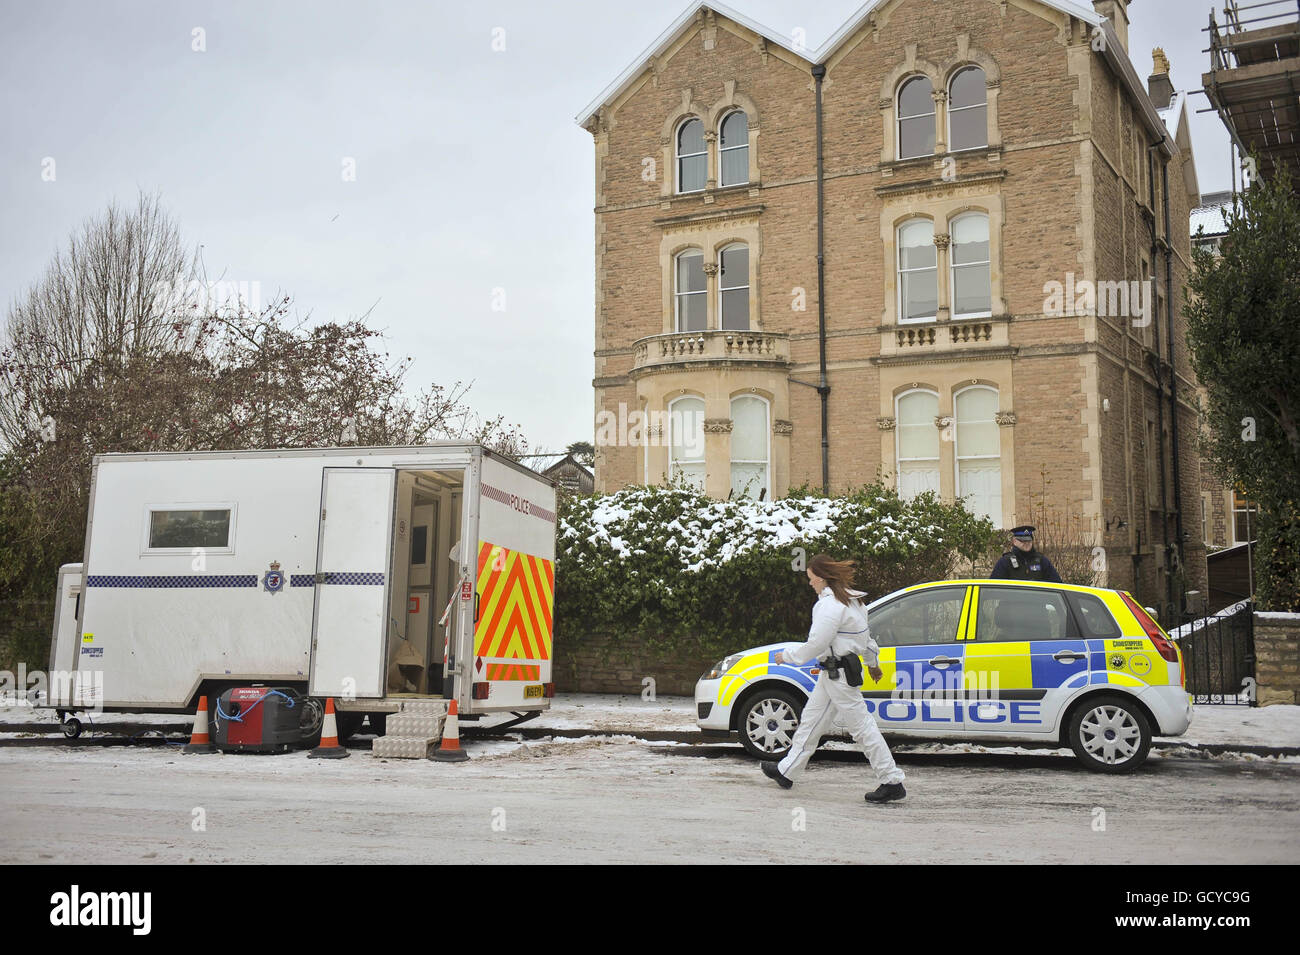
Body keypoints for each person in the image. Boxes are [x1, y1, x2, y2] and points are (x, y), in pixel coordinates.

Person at [761, 553, 906, 803]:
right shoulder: (854, 603)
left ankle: (891, 780)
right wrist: (873, 663)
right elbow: (865, 639)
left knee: (862, 728)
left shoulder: (829, 606)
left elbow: (817, 643)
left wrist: (787, 656)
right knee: (811, 721)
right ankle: (787, 770)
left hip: (837, 675)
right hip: (834, 674)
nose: (810, 584)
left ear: (822, 577)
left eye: (811, 578)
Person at [989, 525, 1062, 582]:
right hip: (1012, 600)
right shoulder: (1005, 562)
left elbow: (1056, 583)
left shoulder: (1041, 561)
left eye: (1029, 541)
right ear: (1014, 541)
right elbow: (994, 587)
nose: (1027, 543)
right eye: (1023, 541)